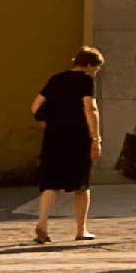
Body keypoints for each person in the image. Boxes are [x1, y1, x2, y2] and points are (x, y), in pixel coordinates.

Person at [30, 47, 103, 243]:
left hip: (53, 136)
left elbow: (35, 106)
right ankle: (81, 229)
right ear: (89, 65)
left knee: (51, 182)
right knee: (81, 184)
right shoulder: (86, 80)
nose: (96, 71)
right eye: (96, 68)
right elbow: (90, 109)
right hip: (78, 136)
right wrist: (96, 138)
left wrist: (50, 121)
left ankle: (42, 223)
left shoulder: (56, 79)